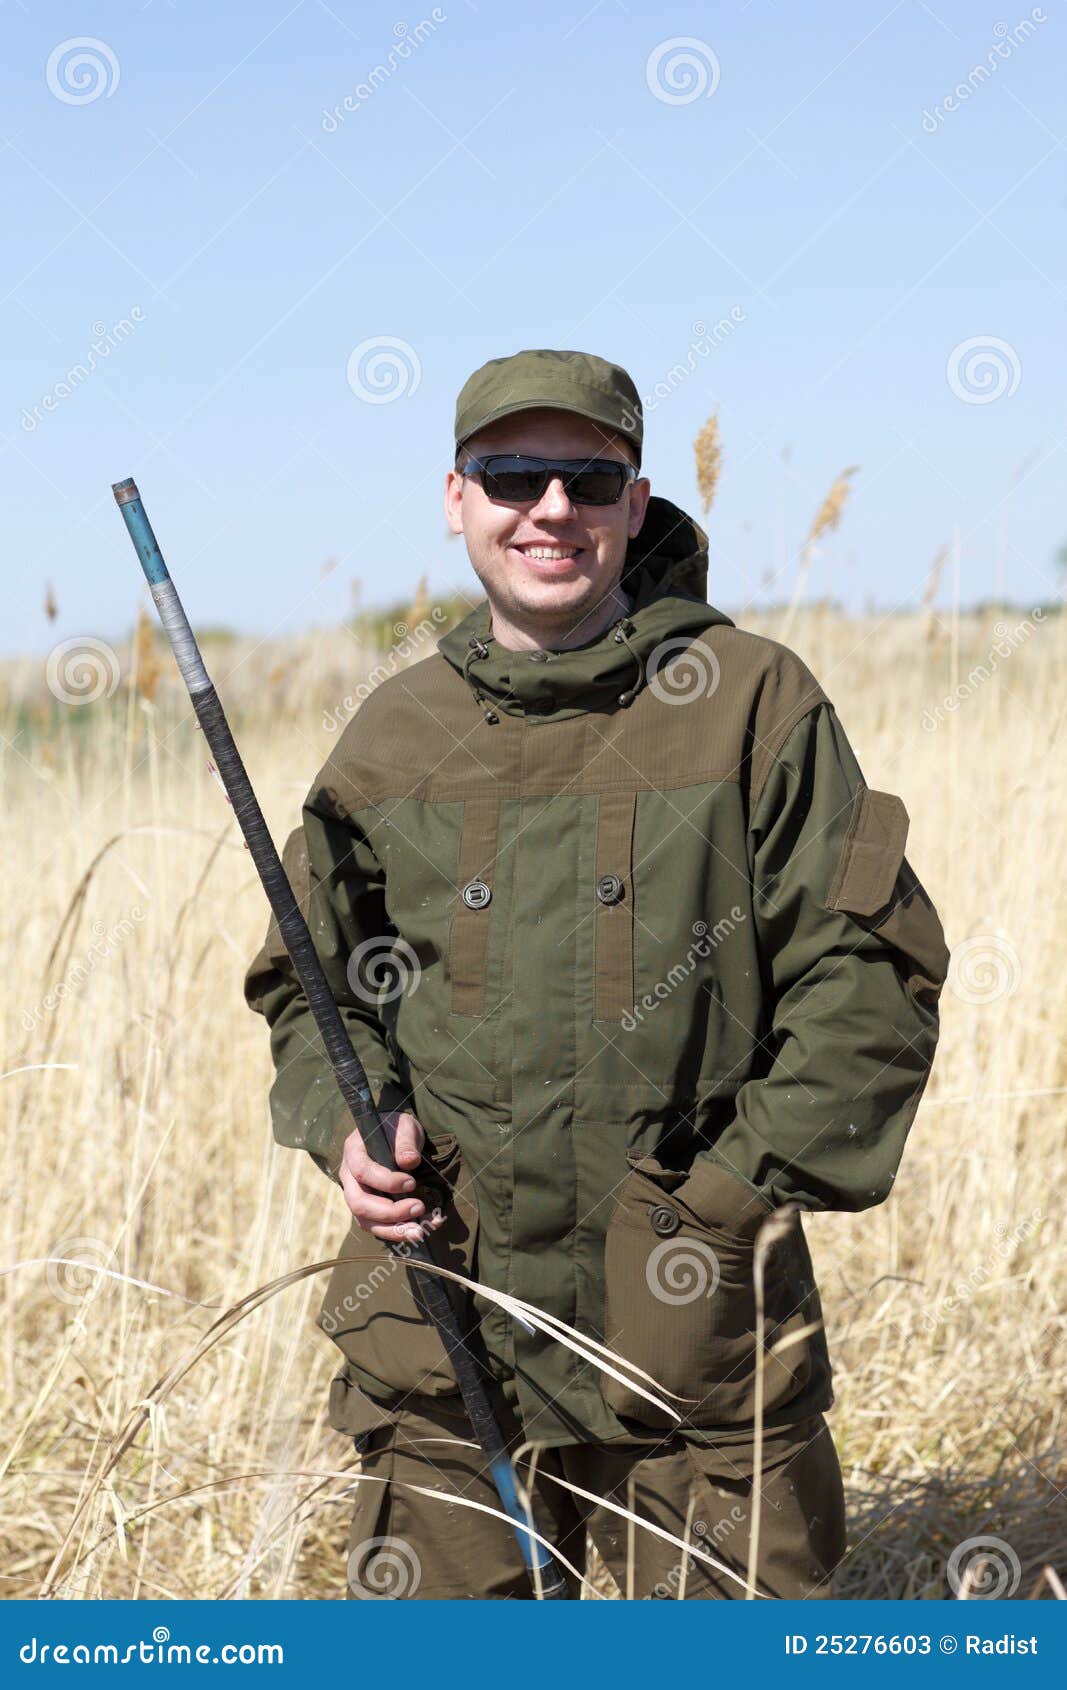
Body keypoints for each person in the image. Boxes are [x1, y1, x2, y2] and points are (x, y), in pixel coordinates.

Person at [243, 347, 949, 1600]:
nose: (550, 508)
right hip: (444, 1335)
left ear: (635, 501)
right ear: (457, 497)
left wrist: (724, 1198)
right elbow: (313, 985)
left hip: (695, 1338)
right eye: (512, 475)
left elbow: (869, 972)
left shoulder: (745, 701)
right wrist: (342, 1129)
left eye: (589, 477)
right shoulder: (393, 735)